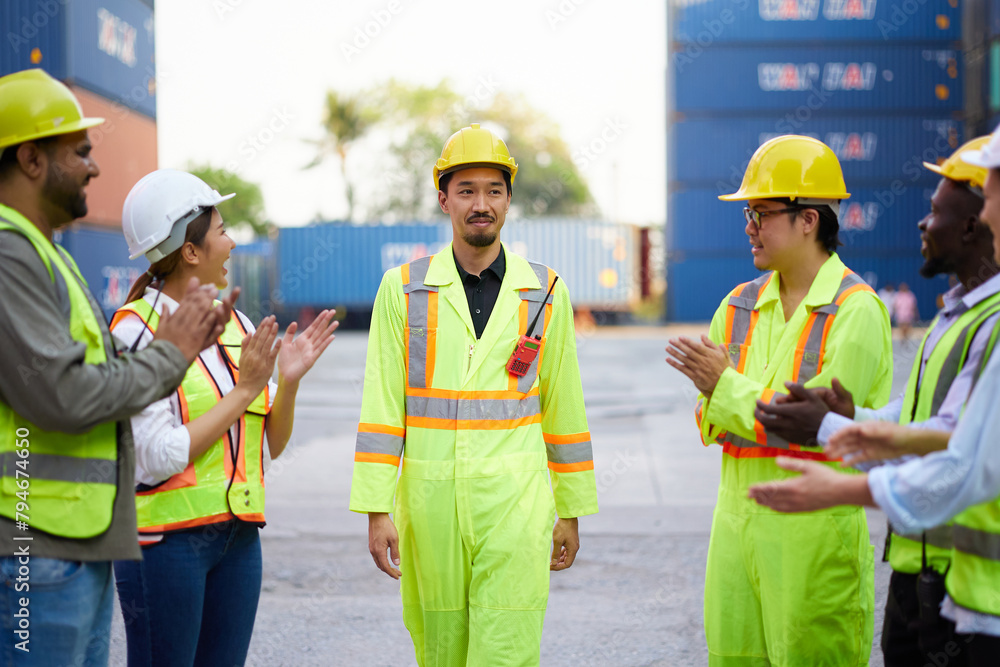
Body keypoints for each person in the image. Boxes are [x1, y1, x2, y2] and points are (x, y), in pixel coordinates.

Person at [0, 69, 231, 667]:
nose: (94, 168)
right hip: (33, 546)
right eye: (79, 152)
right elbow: (63, 395)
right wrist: (170, 352)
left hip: (73, 541)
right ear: (30, 159)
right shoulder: (9, 254)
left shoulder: (43, 253)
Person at [747, 128, 1000, 666]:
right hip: (923, 568)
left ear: (976, 223)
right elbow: (929, 422)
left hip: (970, 589)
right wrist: (849, 420)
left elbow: (968, 460)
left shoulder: (984, 323)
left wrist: (844, 485)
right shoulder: (956, 317)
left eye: (935, 212)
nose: (922, 222)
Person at [349, 123, 598, 666]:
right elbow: (383, 404)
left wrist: (572, 511)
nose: (480, 204)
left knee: (506, 650)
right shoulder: (403, 288)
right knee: (440, 652)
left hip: (517, 505)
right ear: (444, 199)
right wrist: (374, 508)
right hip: (429, 506)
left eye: (492, 190)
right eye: (466, 190)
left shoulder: (544, 291)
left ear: (509, 200)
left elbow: (564, 408)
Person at [665, 134, 893, 665]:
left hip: (812, 539)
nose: (749, 226)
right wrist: (730, 404)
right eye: (748, 212)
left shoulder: (856, 312)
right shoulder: (738, 305)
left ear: (808, 219)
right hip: (735, 531)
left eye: (761, 212)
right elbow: (708, 424)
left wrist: (726, 390)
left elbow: (817, 429)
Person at [109, 169, 338, 667]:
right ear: (190, 250)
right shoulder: (135, 332)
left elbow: (271, 444)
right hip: (165, 548)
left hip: (236, 542)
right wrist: (248, 389)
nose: (232, 243)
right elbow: (154, 458)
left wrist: (289, 381)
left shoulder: (236, 323)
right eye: (221, 231)